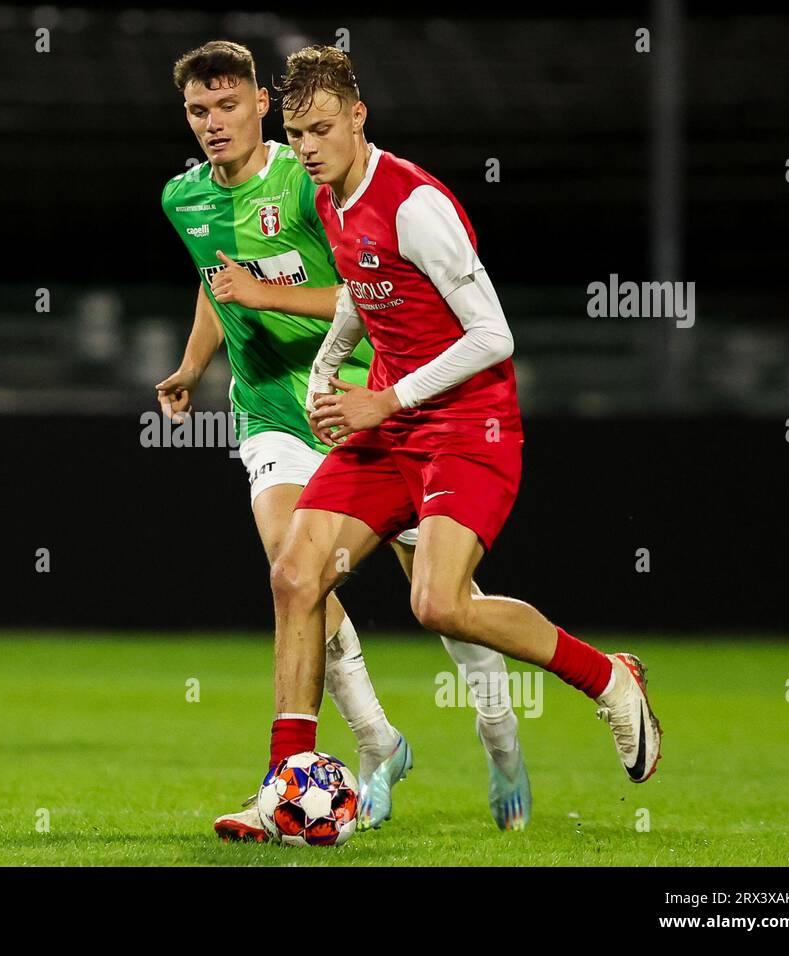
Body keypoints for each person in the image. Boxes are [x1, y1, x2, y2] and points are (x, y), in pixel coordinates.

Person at [252, 46, 660, 808]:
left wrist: (385, 400)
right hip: (390, 422)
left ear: (358, 116)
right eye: (297, 132)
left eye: (321, 128)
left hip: (468, 425)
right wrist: (326, 369)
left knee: (438, 603)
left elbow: (493, 335)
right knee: (295, 574)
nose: (307, 147)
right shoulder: (327, 196)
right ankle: (286, 785)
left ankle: (608, 677)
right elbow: (358, 289)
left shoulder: (414, 204)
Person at [158, 41, 530, 838]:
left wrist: (267, 296)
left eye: (229, 106)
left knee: (442, 602)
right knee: (295, 574)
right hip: (269, 412)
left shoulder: (311, 174)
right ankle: (374, 745)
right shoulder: (182, 197)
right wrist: (194, 364)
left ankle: (500, 736)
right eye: (198, 111)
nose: (214, 123)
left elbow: (364, 290)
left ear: (265, 104)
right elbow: (212, 278)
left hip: (363, 401)